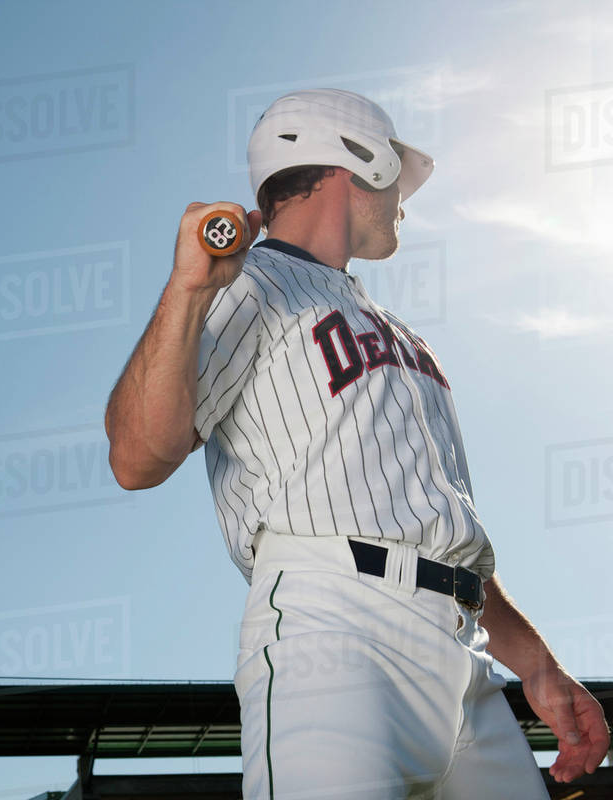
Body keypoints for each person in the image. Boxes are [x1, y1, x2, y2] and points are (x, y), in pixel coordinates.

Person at [103, 88, 610, 798]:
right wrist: (188, 292)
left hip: (465, 653)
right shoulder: (246, 281)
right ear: (358, 159)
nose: (403, 196)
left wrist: (537, 665)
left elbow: (435, 529)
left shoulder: (407, 336)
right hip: (332, 632)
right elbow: (135, 459)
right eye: (395, 173)